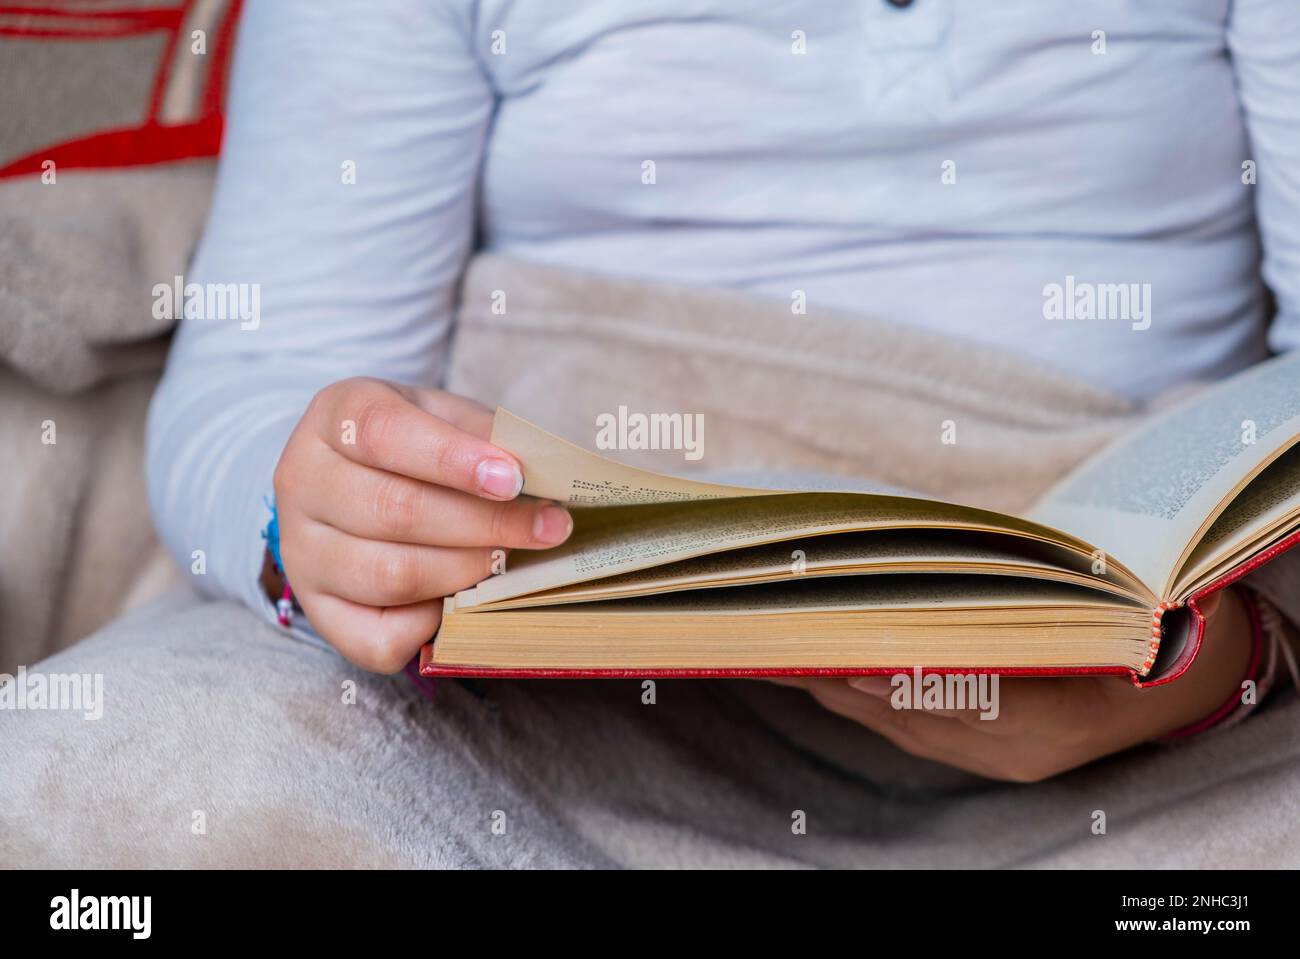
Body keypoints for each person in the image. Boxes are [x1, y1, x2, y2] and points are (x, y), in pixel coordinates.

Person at [146, 0, 1300, 784]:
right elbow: (265, 381)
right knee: (152, 777)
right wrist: (315, 526)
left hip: (1151, 650)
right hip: (553, 683)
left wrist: (1220, 662)